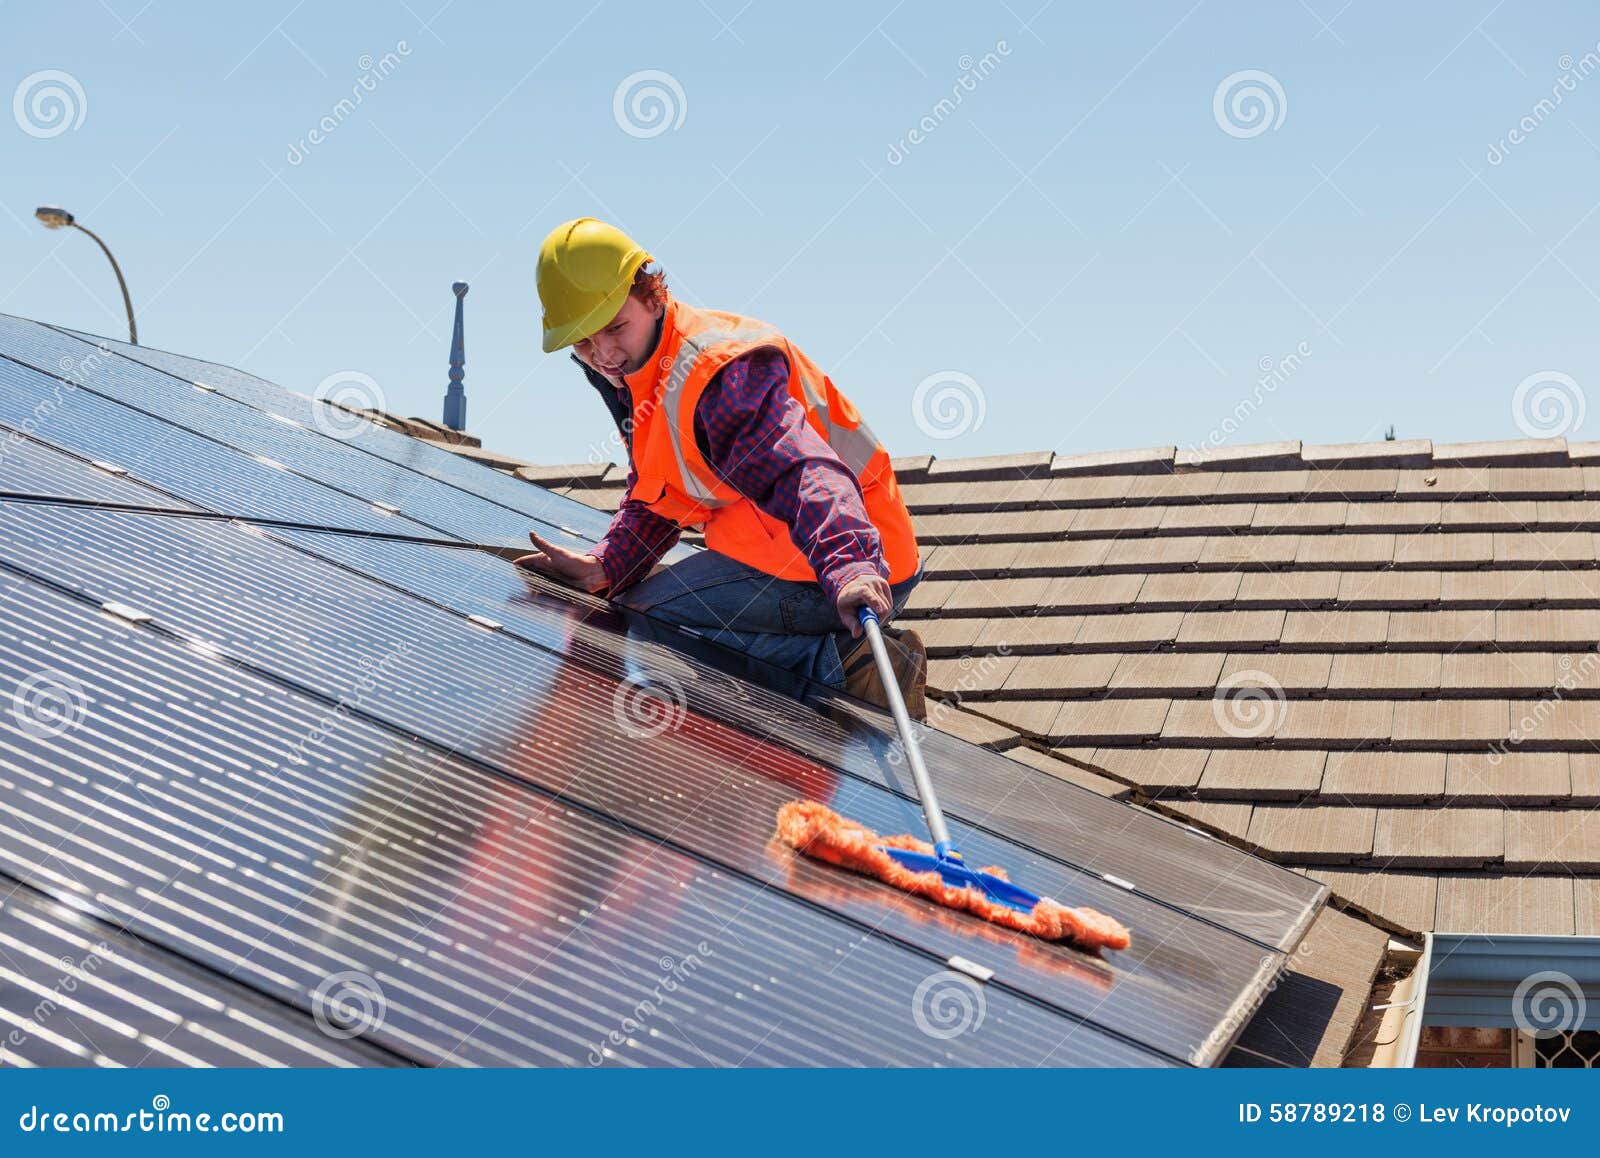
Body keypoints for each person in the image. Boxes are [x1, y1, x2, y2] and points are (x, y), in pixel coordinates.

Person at [514, 217, 928, 717]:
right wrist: (606, 565)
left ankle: (847, 667)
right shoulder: (644, 376)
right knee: (625, 605)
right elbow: (662, 497)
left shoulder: (716, 375)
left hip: (848, 563)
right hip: (788, 552)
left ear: (652, 296)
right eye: (582, 342)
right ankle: (829, 662)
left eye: (615, 327)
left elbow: (804, 474)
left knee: (649, 620)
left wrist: (850, 566)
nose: (603, 354)